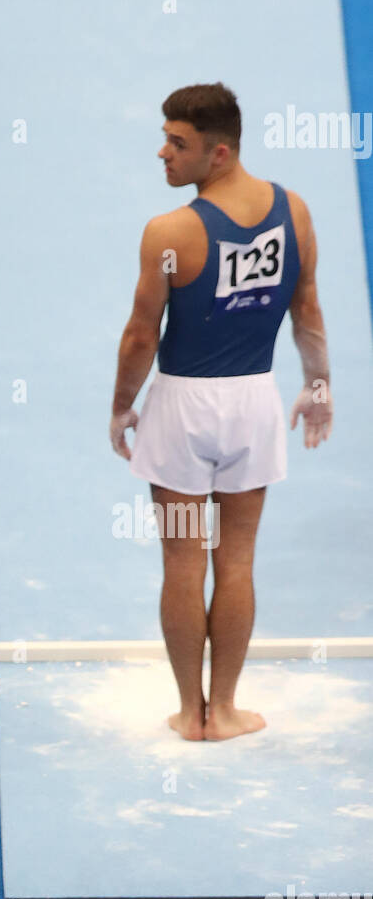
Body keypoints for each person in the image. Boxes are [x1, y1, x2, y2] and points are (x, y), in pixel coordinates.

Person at [110, 83, 332, 740]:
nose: (163, 154)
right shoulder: (294, 212)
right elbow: (308, 310)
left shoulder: (171, 232)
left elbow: (141, 336)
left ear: (220, 151)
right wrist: (318, 387)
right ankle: (227, 709)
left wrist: (123, 406)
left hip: (181, 411)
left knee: (184, 561)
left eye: (178, 144)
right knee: (236, 560)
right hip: (253, 408)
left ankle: (191, 712)